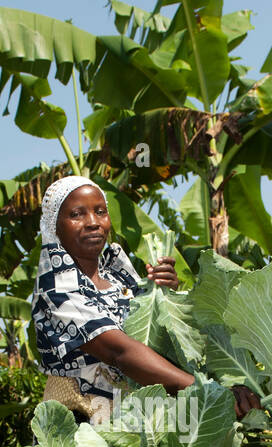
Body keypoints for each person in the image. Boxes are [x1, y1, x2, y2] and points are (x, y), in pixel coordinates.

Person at [31, 175, 259, 424]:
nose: (93, 223)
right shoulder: (55, 288)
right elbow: (120, 352)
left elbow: (155, 340)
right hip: (80, 425)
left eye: (100, 211)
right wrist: (210, 393)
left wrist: (165, 295)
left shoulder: (118, 278)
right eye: (77, 214)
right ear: (55, 226)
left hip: (134, 425)